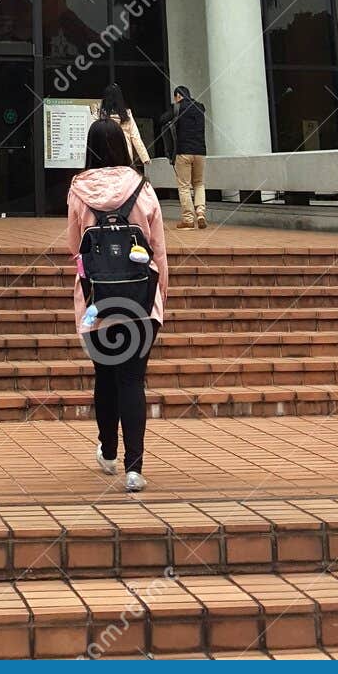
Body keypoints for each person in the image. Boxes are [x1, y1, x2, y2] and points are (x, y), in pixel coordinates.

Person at [67, 116, 168, 492]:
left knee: (106, 377)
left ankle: (108, 451)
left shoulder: (79, 190)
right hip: (141, 301)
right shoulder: (143, 188)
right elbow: (159, 249)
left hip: (97, 301)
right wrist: (160, 299)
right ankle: (134, 469)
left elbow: (73, 247)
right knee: (132, 380)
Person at [165, 85, 207, 230]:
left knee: (184, 186)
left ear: (178, 96)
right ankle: (201, 213)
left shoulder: (178, 108)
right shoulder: (200, 108)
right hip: (200, 152)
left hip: (183, 152)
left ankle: (188, 220)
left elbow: (162, 119)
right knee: (199, 183)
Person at [97, 81, 150, 171]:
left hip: (105, 156)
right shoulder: (127, 115)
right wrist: (144, 157)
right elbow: (135, 137)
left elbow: (93, 135)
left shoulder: (99, 116)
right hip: (125, 156)